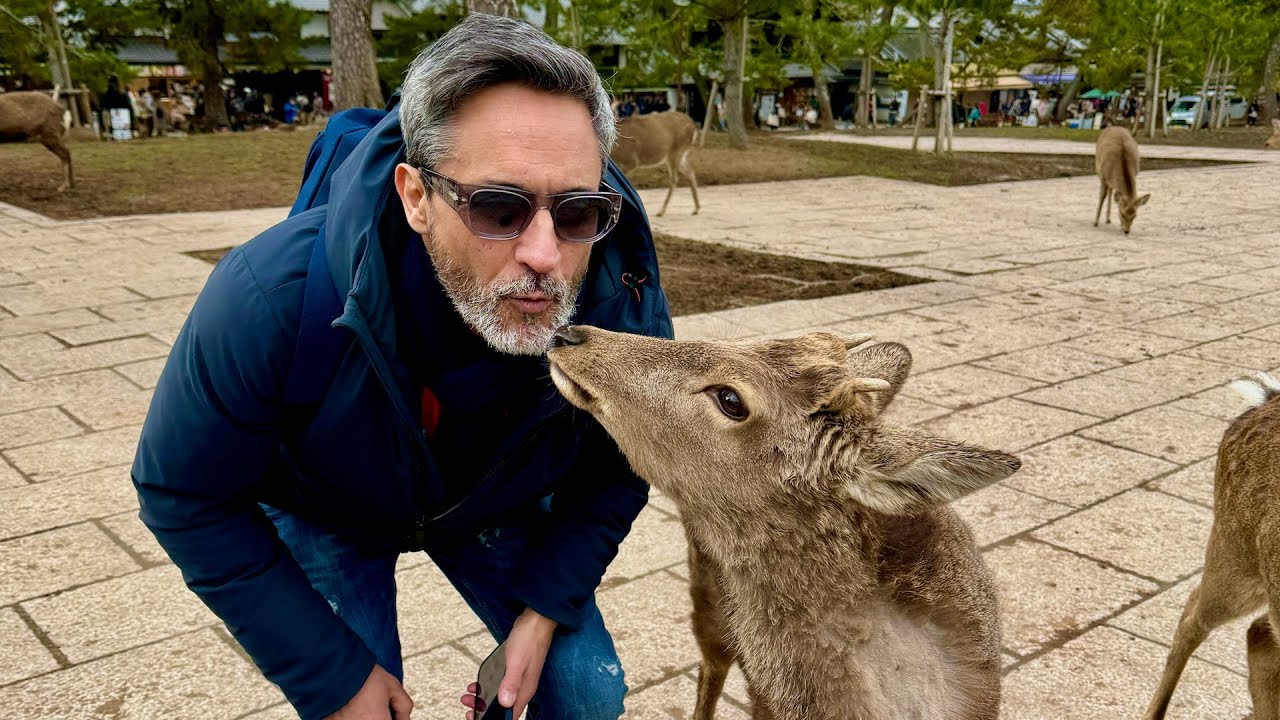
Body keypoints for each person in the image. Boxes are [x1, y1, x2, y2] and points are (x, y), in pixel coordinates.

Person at [131, 14, 671, 720]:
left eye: (576, 213)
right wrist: (334, 678)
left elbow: (629, 457)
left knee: (584, 693)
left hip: (492, 499)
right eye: (499, 208)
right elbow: (181, 489)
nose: (545, 255)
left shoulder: (617, 297)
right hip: (323, 502)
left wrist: (544, 607)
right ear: (417, 197)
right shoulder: (269, 297)